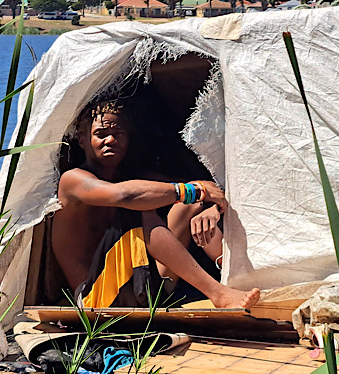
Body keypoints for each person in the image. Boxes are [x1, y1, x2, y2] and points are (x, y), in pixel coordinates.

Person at [52, 99, 260, 310]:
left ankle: (238, 280)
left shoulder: (134, 178)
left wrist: (212, 209)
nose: (111, 140)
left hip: (143, 288)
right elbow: (123, 196)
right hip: (95, 299)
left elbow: (207, 189)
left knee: (189, 205)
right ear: (82, 140)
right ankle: (218, 293)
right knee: (138, 209)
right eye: (101, 134)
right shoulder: (73, 181)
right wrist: (191, 190)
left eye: (119, 134)